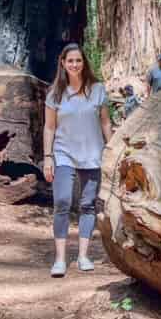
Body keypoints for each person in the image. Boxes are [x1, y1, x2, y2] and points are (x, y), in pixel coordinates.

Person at [43, 43, 112, 278]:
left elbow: (105, 122)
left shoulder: (97, 90)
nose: (74, 64)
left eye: (78, 60)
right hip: (64, 154)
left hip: (93, 155)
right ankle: (60, 259)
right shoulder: (55, 93)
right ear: (63, 63)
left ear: (84, 63)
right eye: (70, 60)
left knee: (88, 204)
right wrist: (48, 157)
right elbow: (49, 127)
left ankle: (83, 256)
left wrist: (111, 149)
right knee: (62, 202)